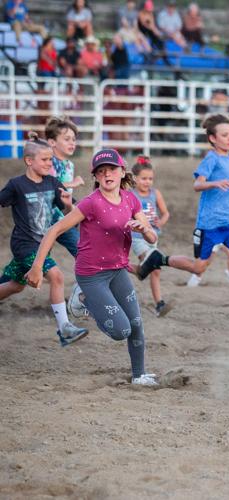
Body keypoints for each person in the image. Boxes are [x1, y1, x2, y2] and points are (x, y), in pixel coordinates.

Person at [135, 114, 229, 330]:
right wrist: (214, 183)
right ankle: (160, 259)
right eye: (225, 135)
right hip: (209, 225)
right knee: (198, 268)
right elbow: (197, 185)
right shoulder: (211, 159)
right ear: (213, 138)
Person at [24, 149, 158, 386]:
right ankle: (83, 298)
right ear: (96, 176)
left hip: (118, 270)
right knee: (121, 331)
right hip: (92, 275)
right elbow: (54, 230)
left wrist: (144, 229)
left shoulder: (131, 199)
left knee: (136, 324)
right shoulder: (91, 203)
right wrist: (37, 266)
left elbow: (151, 238)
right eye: (101, 170)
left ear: (121, 172)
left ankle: (139, 376)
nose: (107, 174)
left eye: (112, 169)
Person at [0, 134, 88, 347]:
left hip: (42, 247)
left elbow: (73, 215)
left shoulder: (53, 183)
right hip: (24, 246)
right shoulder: (17, 185)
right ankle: (65, 329)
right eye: (45, 160)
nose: (50, 164)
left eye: (51, 160)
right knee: (57, 276)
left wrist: (67, 205)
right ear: (29, 161)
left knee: (14, 286)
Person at [128, 156, 171, 317]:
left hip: (153, 235)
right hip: (137, 237)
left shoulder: (155, 193)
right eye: (144, 178)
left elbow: (166, 213)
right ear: (135, 179)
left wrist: (161, 222)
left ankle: (159, 303)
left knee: (154, 271)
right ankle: (159, 302)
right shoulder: (130, 194)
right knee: (153, 263)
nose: (147, 182)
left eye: (150, 179)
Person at [45, 115, 83, 259]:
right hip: (44, 218)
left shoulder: (69, 165)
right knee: (28, 264)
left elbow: (63, 195)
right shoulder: (47, 162)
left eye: (73, 139)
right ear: (52, 142)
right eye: (67, 139)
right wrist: (71, 184)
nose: (72, 143)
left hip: (61, 218)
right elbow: (47, 184)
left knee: (83, 252)